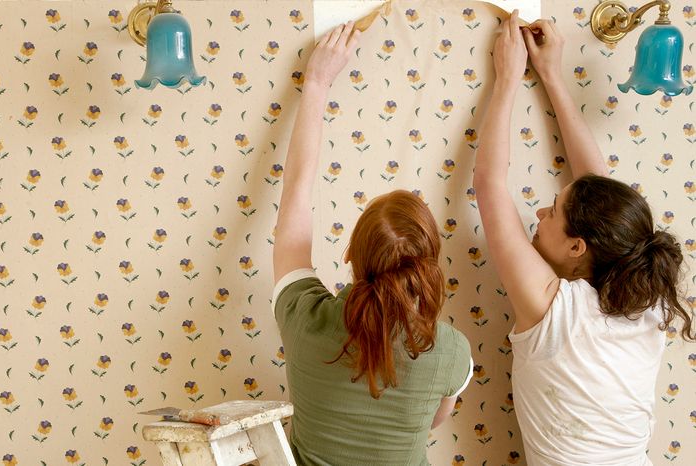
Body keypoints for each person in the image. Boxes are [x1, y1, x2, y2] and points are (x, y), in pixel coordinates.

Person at [474, 10, 694, 465]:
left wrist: (508, 79)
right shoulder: (645, 304)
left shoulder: (555, 310)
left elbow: (489, 185)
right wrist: (553, 76)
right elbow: (600, 191)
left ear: (578, 248)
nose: (537, 212)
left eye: (551, 213)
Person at [272, 22, 472, 465]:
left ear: (352, 257)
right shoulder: (452, 351)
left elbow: (295, 198)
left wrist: (317, 84)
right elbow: (434, 420)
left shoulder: (303, 316)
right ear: (430, 264)